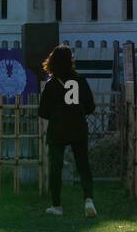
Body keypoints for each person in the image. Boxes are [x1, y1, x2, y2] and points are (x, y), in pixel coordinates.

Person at [37, 44, 96, 218]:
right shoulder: (80, 81)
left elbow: (43, 112)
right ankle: (88, 200)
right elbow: (90, 107)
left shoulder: (51, 85)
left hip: (57, 129)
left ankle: (57, 205)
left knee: (55, 167)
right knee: (83, 165)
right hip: (78, 126)